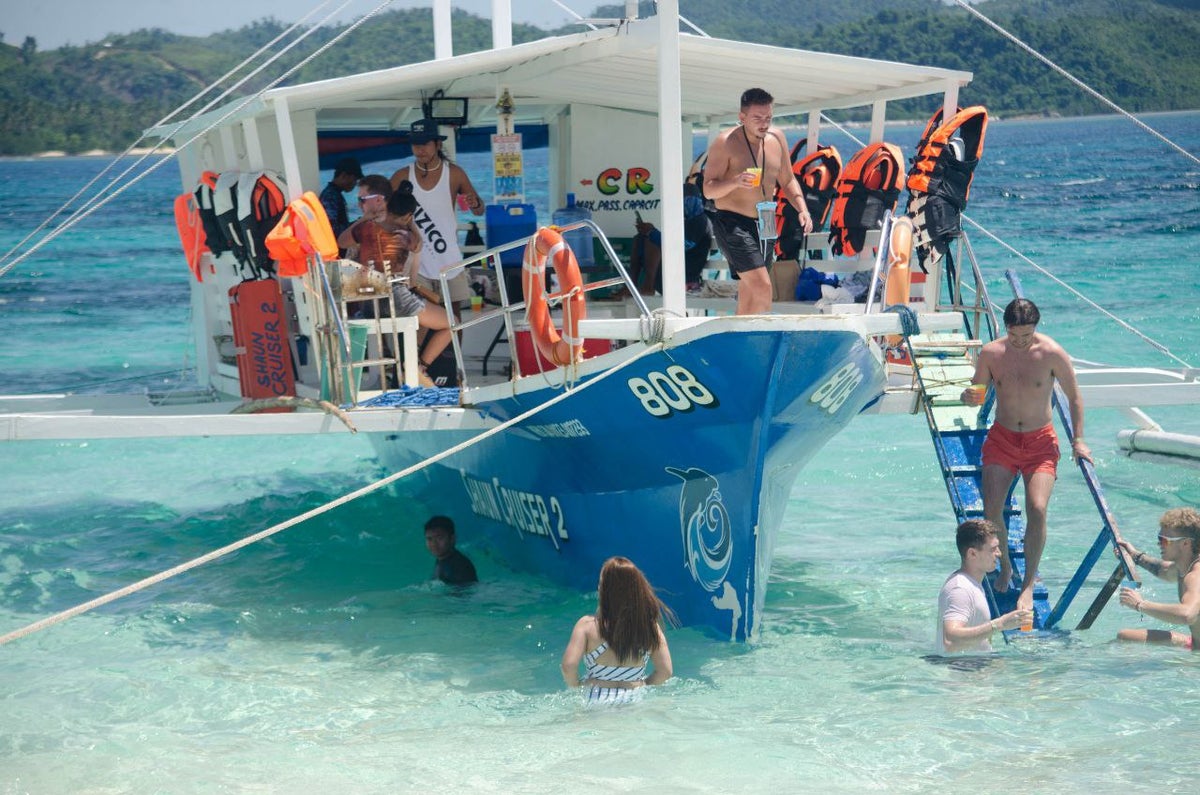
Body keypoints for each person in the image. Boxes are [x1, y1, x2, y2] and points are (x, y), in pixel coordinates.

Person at [960, 297, 1090, 615]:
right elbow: (977, 392)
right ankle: (1005, 566)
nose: (1020, 341)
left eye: (1027, 335)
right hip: (1002, 438)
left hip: (1040, 442)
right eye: (1014, 335)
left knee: (1038, 508)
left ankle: (1028, 583)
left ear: (1036, 328)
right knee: (992, 509)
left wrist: (1078, 440)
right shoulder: (991, 353)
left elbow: (1075, 398)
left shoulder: (1052, 353)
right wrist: (968, 397)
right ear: (1006, 328)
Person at [701, 88, 812, 315]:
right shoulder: (725, 142)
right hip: (733, 223)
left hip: (766, 221)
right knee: (763, 286)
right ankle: (763, 334)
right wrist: (735, 181)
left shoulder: (776, 138)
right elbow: (708, 190)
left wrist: (802, 208)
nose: (764, 124)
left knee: (750, 289)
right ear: (742, 117)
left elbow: (787, 179)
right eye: (757, 118)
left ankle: (740, 334)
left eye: (768, 118)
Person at [338, 179, 453, 386]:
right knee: (451, 322)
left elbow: (341, 241)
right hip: (396, 300)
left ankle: (410, 366)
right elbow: (418, 245)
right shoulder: (404, 234)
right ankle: (418, 367)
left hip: (368, 304)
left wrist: (363, 219)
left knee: (423, 315)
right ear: (408, 216)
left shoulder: (365, 229)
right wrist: (411, 223)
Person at [389, 117, 485, 311]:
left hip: (450, 258)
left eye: (425, 143)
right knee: (422, 317)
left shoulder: (455, 173)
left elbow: (479, 210)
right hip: (416, 261)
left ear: (438, 144)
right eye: (415, 144)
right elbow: (387, 214)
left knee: (454, 319)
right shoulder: (401, 175)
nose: (420, 149)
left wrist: (474, 202)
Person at [560, 556, 675, 704]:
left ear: (604, 590)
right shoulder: (649, 627)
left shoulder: (587, 625)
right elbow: (665, 671)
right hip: (635, 700)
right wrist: (643, 685)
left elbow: (568, 666)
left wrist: (578, 687)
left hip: (596, 700)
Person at [937, 519, 1033, 654]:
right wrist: (1000, 624)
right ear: (972, 554)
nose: (999, 553)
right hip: (962, 667)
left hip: (974, 665)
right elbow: (950, 637)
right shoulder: (960, 589)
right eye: (993, 549)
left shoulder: (972, 583)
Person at [1115, 507, 1200, 651]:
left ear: (1186, 543)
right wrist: (1135, 556)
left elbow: (1187, 615)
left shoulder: (1195, 576)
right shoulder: (1182, 567)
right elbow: (1163, 569)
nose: (1159, 544)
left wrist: (1140, 604)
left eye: (1165, 540)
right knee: (1124, 636)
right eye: (1159, 538)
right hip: (1194, 643)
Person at [319, 156, 363, 241]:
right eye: (354, 179)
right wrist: (356, 227)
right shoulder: (330, 196)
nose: (355, 184)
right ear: (344, 175)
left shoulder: (334, 193)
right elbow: (331, 228)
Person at [424, 515, 478, 585]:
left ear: (452, 538)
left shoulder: (460, 566)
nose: (434, 544)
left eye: (439, 538)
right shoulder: (443, 559)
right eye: (429, 539)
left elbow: (465, 590)